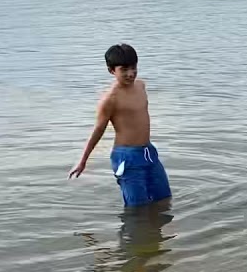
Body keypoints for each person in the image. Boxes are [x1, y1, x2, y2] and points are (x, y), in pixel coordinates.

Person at [69, 43, 172, 207]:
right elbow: (98, 130)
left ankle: (157, 231)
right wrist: (83, 161)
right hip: (127, 157)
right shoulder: (110, 99)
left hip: (148, 152)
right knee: (137, 208)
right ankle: (132, 232)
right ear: (111, 70)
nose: (130, 74)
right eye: (124, 69)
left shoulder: (141, 86)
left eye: (133, 68)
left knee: (164, 199)